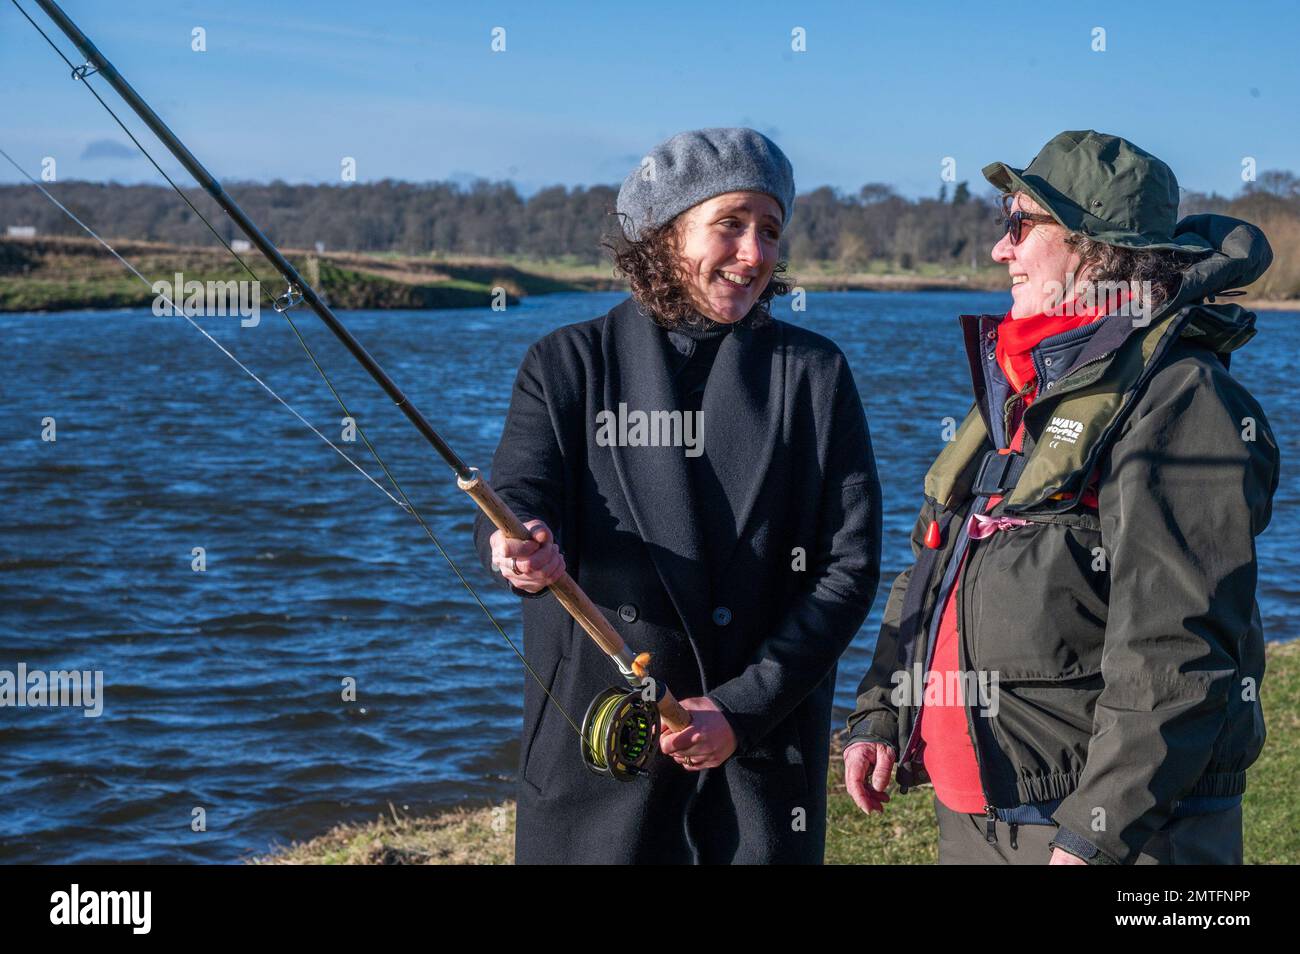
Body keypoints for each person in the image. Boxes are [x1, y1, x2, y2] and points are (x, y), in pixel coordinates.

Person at [844, 130, 1279, 865]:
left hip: (1113, 832)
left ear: (1095, 248)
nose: (999, 250)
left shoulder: (1180, 397)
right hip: (981, 815)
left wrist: (1094, 832)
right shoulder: (1027, 384)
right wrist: (881, 713)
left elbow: (1175, 647)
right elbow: (935, 562)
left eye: (1019, 225)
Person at [473, 127, 881, 863]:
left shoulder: (814, 375)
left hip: (756, 764)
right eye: (730, 224)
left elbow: (847, 569)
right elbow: (517, 494)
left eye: (769, 230)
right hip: (598, 766)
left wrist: (741, 707)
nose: (755, 254)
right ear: (662, 235)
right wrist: (515, 546)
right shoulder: (566, 363)